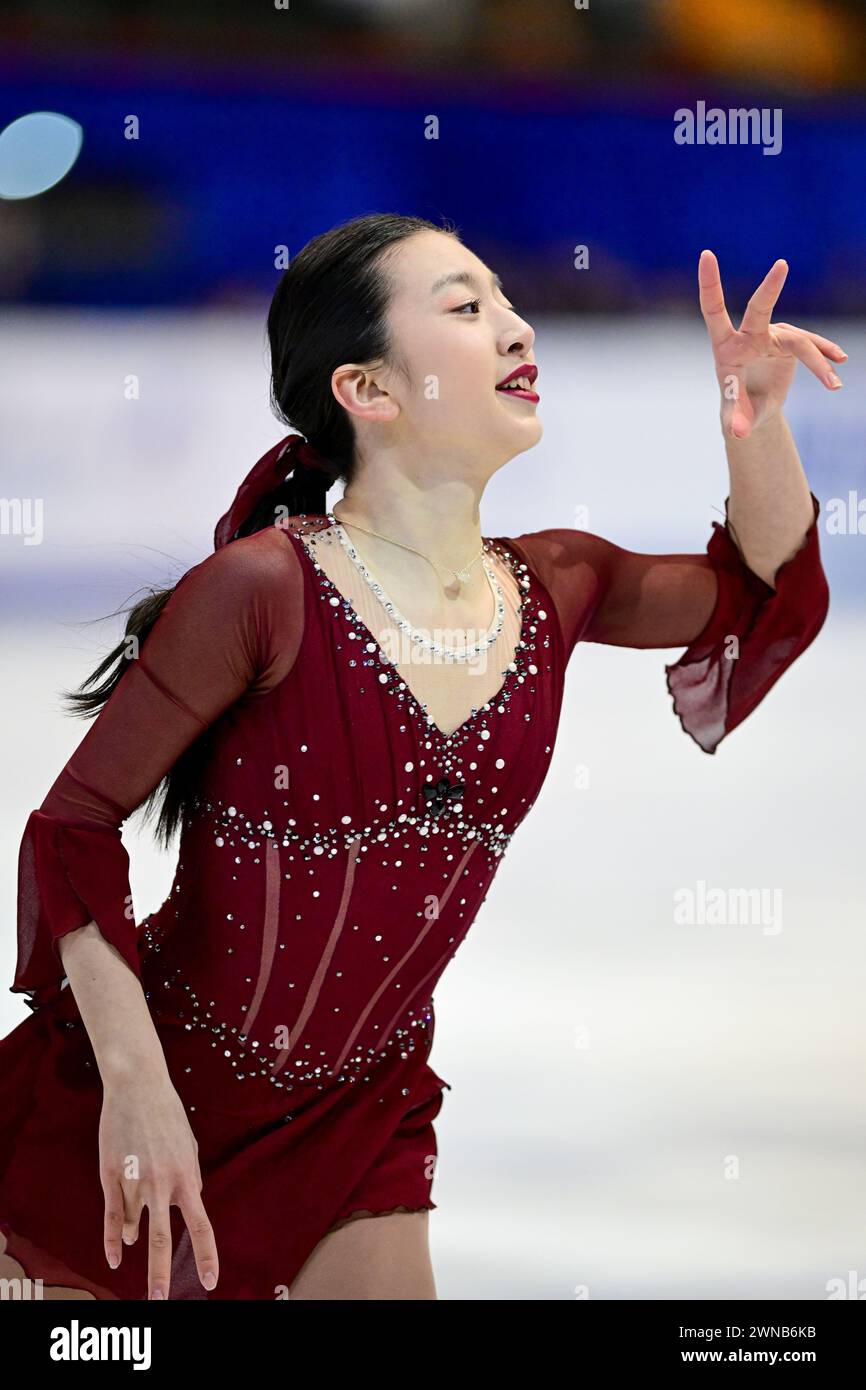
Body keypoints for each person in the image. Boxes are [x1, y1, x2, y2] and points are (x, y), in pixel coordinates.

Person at [0, 212, 834, 1301]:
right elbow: (71, 828)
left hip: (362, 1113)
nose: (515, 327)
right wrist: (136, 1084)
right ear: (368, 390)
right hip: (142, 1094)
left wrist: (754, 421)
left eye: (505, 299)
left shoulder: (556, 585)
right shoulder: (263, 590)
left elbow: (760, 597)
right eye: (465, 306)